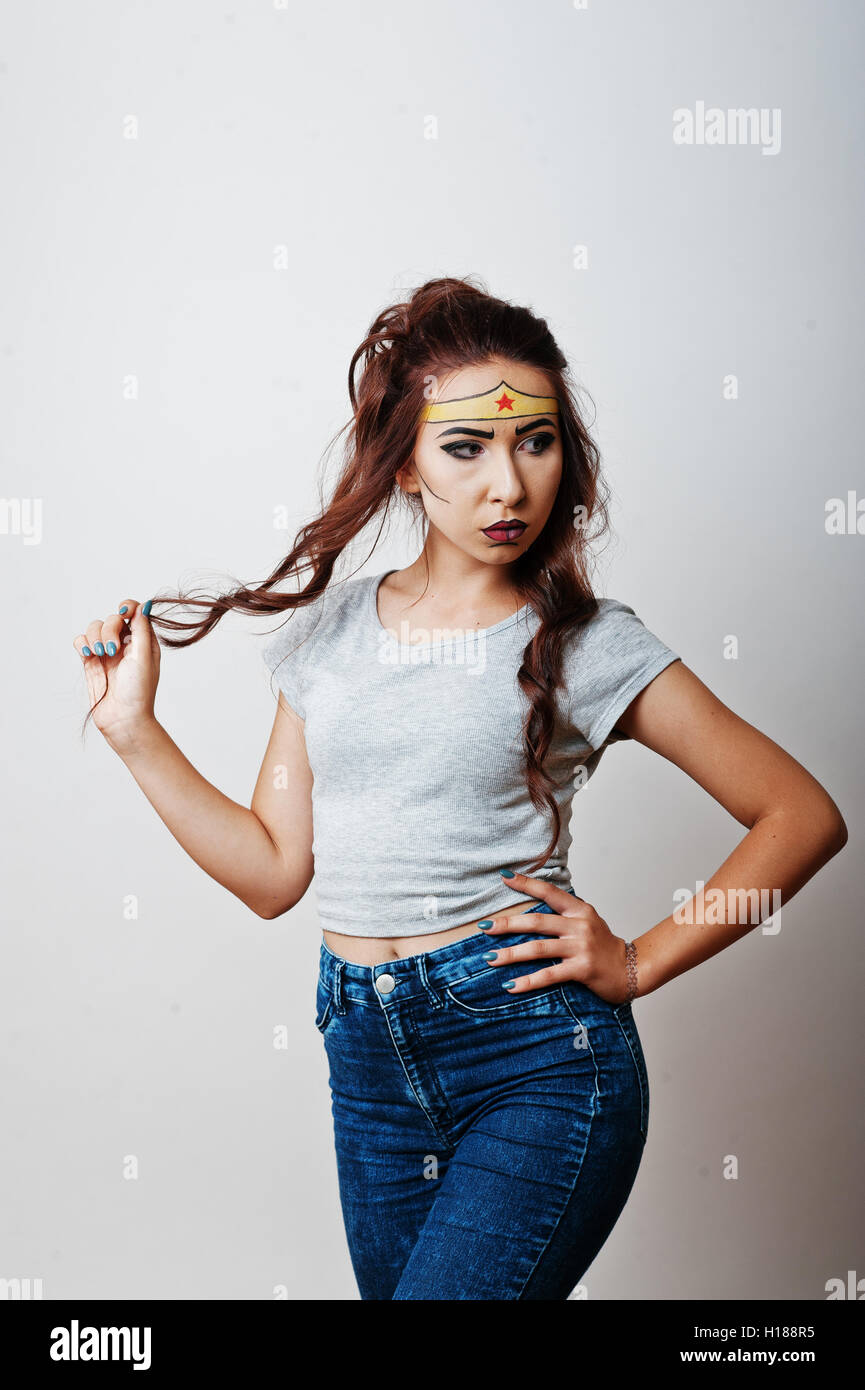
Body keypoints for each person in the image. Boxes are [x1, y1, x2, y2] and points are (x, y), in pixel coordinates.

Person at [73, 276, 847, 1300]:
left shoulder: (588, 645)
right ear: (403, 465)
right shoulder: (327, 634)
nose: (509, 486)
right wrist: (134, 732)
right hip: (369, 1066)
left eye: (535, 440)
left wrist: (639, 958)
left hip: (536, 1058)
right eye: (467, 447)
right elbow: (272, 870)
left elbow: (801, 813)